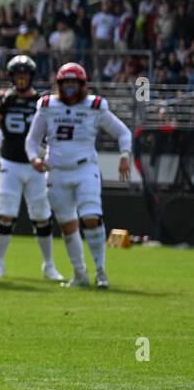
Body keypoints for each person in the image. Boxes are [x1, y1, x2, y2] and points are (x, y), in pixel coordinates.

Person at [26, 62, 133, 289]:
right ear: (59, 84)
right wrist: (34, 158)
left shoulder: (95, 105)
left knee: (91, 217)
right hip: (56, 172)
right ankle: (80, 273)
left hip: (85, 169)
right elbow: (32, 139)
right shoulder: (47, 105)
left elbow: (123, 131)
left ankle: (101, 271)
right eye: (66, 83)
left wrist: (125, 154)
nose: (70, 87)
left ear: (83, 84)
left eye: (74, 82)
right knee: (67, 225)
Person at [0, 55, 60, 280]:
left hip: (35, 164)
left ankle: (48, 265)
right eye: (18, 75)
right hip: (9, 163)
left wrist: (48, 151)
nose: (21, 79)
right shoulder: (5, 101)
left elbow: (52, 130)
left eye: (24, 75)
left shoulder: (41, 102)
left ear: (31, 76)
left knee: (42, 215)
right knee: (4, 214)